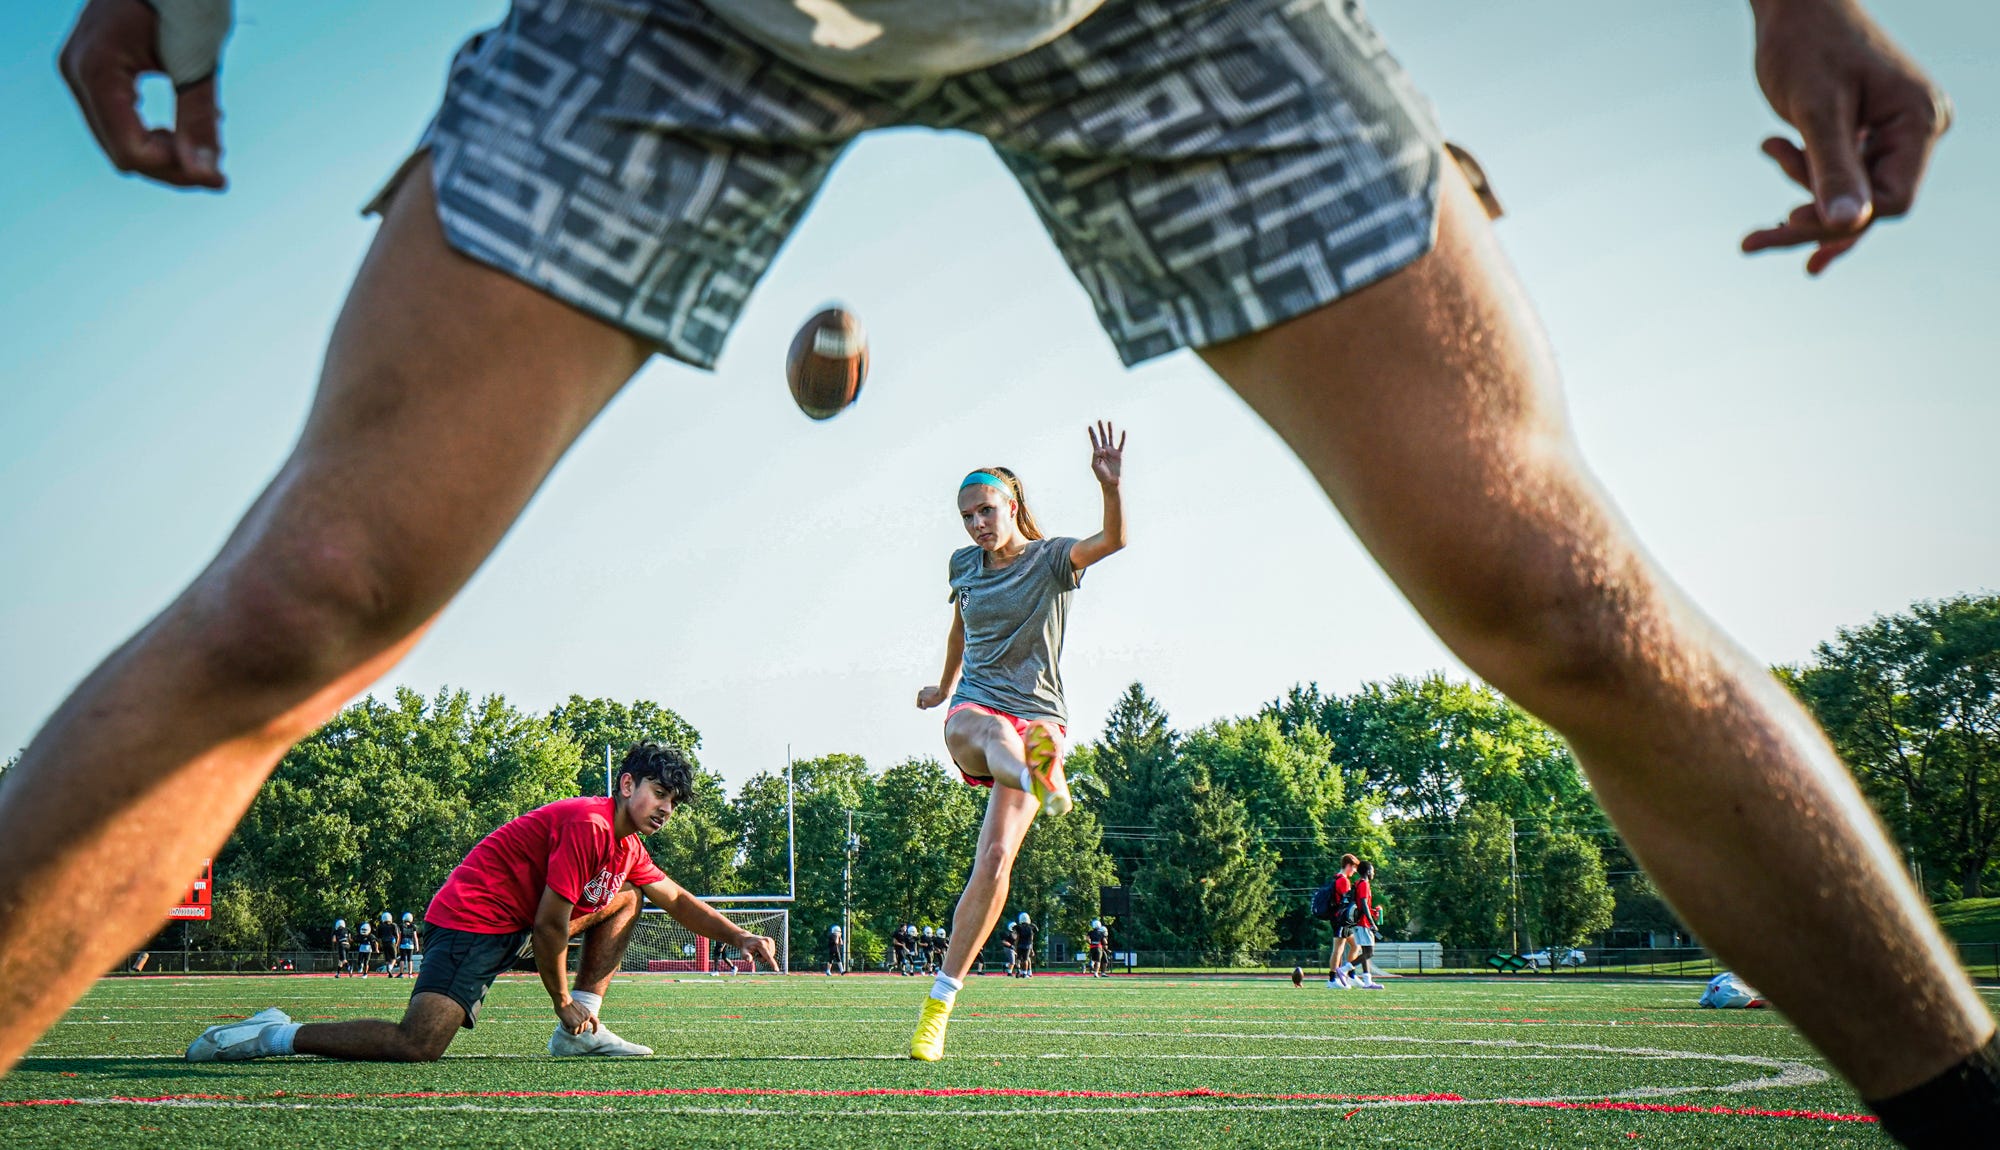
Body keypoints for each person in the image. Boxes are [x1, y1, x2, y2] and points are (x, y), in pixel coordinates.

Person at [11, 0, 1995, 1137]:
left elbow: (1091, 550)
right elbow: (960, 598)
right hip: (681, 23)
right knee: (309, 589)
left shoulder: (1042, 536)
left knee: (1555, 589)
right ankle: (971, 850)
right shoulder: (967, 562)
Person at [184, 742, 774, 1062]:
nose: (667, 807)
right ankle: (275, 1034)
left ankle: (581, 1034)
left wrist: (740, 937)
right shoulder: (592, 825)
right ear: (627, 784)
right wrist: (562, 999)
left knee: (627, 899)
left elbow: (676, 899)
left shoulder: (627, 845)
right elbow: (550, 925)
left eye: (676, 800)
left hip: (512, 922)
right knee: (417, 1045)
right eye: (660, 793)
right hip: (474, 921)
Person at [910, 441, 1124, 1056]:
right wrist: (944, 686)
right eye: (967, 516)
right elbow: (960, 625)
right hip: (975, 711)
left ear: (1012, 505)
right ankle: (1040, 779)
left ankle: (940, 1003)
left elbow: (1112, 540)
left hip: (1041, 721)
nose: (977, 524)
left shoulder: (1052, 560)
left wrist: (1109, 486)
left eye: (985, 511)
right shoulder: (964, 566)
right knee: (993, 732)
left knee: (997, 860)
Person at [1323, 854, 1359, 988]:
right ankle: (1332, 980)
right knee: (1338, 948)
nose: (1354, 871)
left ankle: (1350, 975)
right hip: (1340, 919)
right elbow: (1346, 902)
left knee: (1355, 945)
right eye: (1354, 868)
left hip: (1338, 918)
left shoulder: (1336, 878)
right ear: (1348, 866)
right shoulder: (1343, 880)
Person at [1348, 861, 1384, 991]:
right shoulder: (1364, 884)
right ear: (1368, 872)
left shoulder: (1358, 883)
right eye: (1373, 870)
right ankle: (1344, 969)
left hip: (1360, 922)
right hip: (1363, 923)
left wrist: (1373, 912)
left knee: (1365, 952)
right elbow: (1363, 904)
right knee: (1369, 953)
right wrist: (1372, 922)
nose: (1373, 873)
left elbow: (1363, 904)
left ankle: (1367, 981)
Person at [398, 912, 420, 978]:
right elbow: (415, 937)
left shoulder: (401, 926)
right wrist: (417, 946)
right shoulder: (413, 926)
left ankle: (401, 973)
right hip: (410, 944)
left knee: (402, 959)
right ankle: (410, 974)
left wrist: (397, 944)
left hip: (403, 943)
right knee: (410, 959)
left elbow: (399, 936)